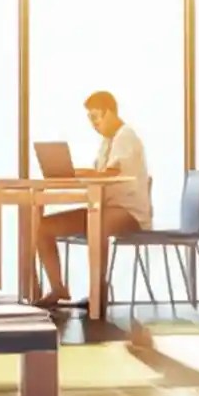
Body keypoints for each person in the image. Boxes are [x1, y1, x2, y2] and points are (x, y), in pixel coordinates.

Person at [34, 91, 151, 308]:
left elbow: (110, 173)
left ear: (110, 113)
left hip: (129, 213)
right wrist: (72, 172)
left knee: (97, 223)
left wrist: (77, 173)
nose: (94, 124)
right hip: (103, 208)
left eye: (96, 117)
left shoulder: (126, 136)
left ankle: (98, 293)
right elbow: (98, 172)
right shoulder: (107, 141)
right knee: (43, 227)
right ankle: (58, 288)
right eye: (90, 119)